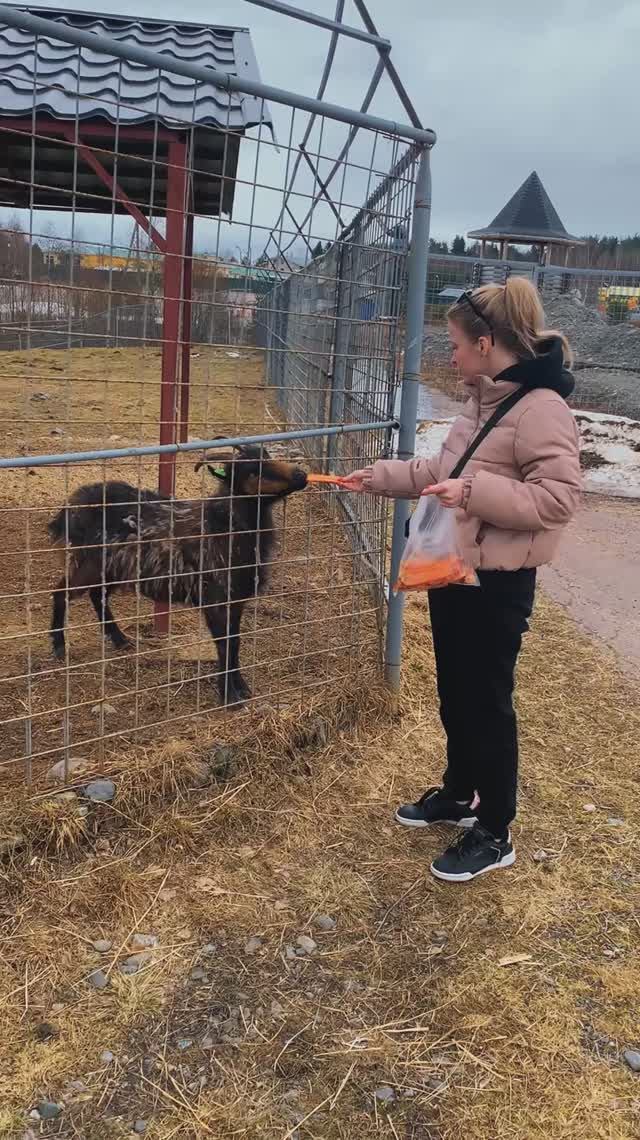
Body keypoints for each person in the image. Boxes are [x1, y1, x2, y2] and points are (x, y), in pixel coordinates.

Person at [344, 278, 582, 883]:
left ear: (484, 342)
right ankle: (459, 792)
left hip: (497, 585)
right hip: (454, 571)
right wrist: (383, 477)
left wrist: (474, 492)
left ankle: (495, 828)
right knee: (456, 690)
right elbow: (441, 469)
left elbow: (557, 500)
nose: (448, 357)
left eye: (454, 344)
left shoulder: (542, 408)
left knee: (487, 702)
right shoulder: (482, 399)